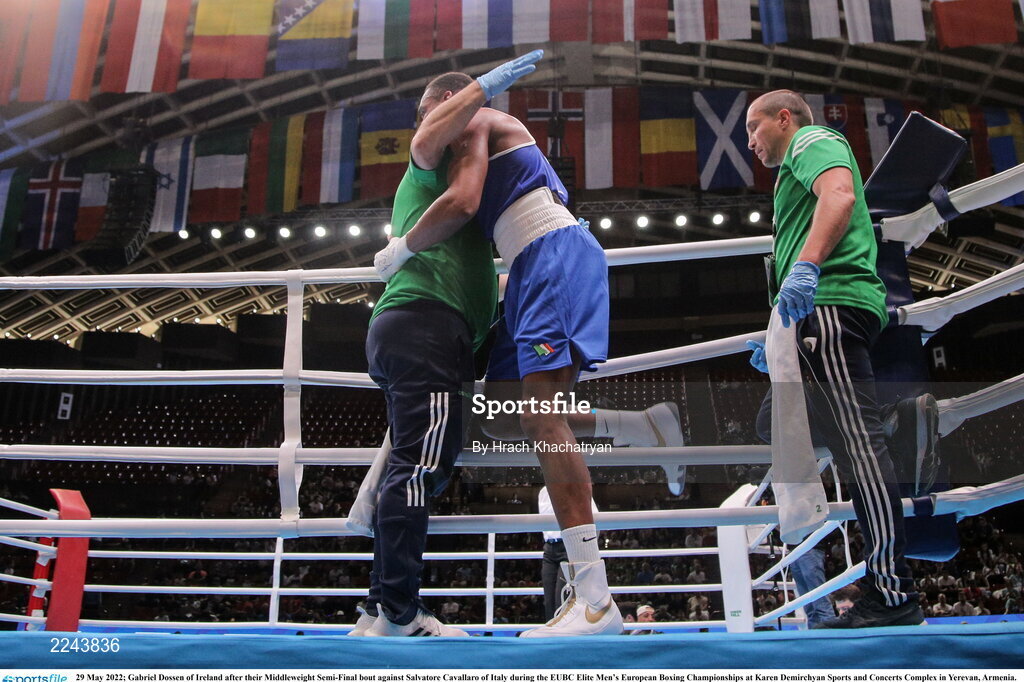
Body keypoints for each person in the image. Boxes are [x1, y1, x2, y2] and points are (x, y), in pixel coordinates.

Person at [374, 59, 663, 636]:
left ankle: (597, 601)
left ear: (450, 103)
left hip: (549, 256)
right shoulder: (476, 132)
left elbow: (461, 202)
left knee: (541, 416)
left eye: (431, 115)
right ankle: (640, 427)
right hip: (533, 268)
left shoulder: (476, 119)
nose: (429, 131)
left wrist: (401, 248)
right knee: (511, 414)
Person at [349, 52, 542, 638]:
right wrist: (481, 88)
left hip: (430, 330)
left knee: (421, 460)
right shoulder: (431, 157)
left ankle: (378, 608)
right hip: (425, 327)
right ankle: (398, 613)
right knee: (419, 465)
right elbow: (443, 170)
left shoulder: (454, 178)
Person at [743, 90, 924, 629]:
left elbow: (840, 197)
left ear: (784, 118)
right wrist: (780, 330)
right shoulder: (791, 171)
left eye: (754, 128)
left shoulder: (814, 139)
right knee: (772, 427)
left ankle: (893, 592)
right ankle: (893, 427)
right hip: (810, 316)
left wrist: (807, 269)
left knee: (859, 449)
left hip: (830, 306)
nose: (750, 142)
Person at [538, 486, 599, 621]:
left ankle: (563, 638)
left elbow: (594, 519)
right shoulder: (543, 492)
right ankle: (551, 638)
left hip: (568, 546)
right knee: (549, 601)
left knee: (563, 599)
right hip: (549, 549)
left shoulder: (575, 487)